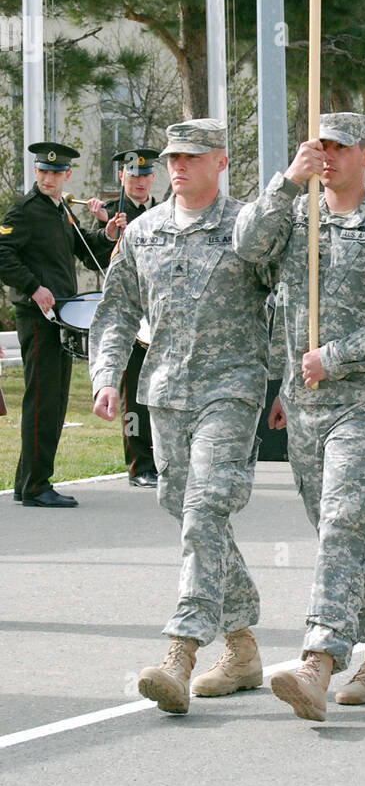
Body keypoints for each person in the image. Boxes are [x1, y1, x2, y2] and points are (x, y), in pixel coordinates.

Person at [232, 113, 365, 722]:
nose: (328, 156)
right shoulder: (297, 215)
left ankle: (318, 659)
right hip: (305, 403)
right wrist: (287, 182)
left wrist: (332, 358)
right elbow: (246, 248)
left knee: (341, 522)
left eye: (341, 147)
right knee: (343, 530)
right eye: (320, 146)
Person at [89, 120, 274, 715]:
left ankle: (180, 649)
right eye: (172, 156)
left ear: (220, 162)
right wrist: (105, 374)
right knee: (190, 513)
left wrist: (288, 379)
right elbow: (116, 309)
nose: (177, 166)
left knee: (204, 508)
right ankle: (242, 645)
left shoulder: (248, 228)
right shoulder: (144, 232)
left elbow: (290, 298)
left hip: (232, 389)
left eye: (192, 157)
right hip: (165, 392)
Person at [0, 141, 118, 508]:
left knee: (53, 398)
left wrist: (108, 234)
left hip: (61, 316)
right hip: (38, 316)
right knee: (44, 399)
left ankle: (27, 482)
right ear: (36, 173)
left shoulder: (61, 210)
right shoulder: (25, 211)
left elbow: (83, 250)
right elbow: (2, 253)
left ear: (67, 175)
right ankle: (37, 485)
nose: (49, 178)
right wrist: (33, 287)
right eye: (43, 172)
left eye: (56, 173)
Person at [89, 148, 162, 487]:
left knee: (160, 393)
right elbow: (96, 261)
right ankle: (139, 464)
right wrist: (109, 234)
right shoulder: (112, 215)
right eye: (133, 176)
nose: (140, 182)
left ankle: (162, 459)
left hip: (159, 314)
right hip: (131, 320)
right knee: (133, 397)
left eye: (146, 176)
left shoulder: (162, 212)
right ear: (122, 178)